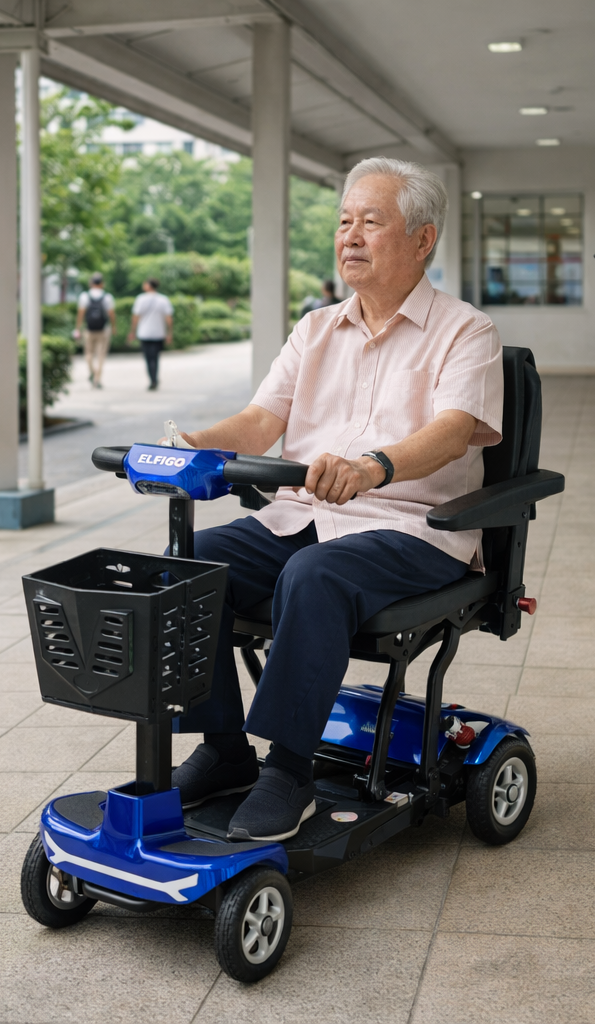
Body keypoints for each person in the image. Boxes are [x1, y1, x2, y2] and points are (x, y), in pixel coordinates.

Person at [164, 157, 501, 841]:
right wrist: (191, 442)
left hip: (414, 529)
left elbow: (452, 432)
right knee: (188, 561)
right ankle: (225, 750)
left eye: (370, 222)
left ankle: (289, 773)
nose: (350, 235)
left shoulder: (466, 331)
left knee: (312, 575)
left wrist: (374, 467)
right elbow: (261, 423)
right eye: (344, 221)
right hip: (309, 514)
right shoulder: (315, 329)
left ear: (422, 239)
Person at [129, 277, 174, 390]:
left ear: (148, 285)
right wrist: (169, 333)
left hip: (144, 333)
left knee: (148, 358)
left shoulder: (140, 299)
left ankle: (152, 379)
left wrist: (132, 331)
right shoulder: (163, 299)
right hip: (158, 333)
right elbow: (169, 318)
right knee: (155, 357)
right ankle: (154, 378)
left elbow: (135, 317)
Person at [74, 273, 115, 389]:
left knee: (88, 354)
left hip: (89, 329)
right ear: (102, 283)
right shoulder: (107, 296)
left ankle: (92, 372)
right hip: (103, 330)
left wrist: (77, 327)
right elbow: (111, 314)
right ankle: (97, 378)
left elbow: (81, 313)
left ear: (91, 283)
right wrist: (114, 327)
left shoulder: (84, 296)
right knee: (101, 355)